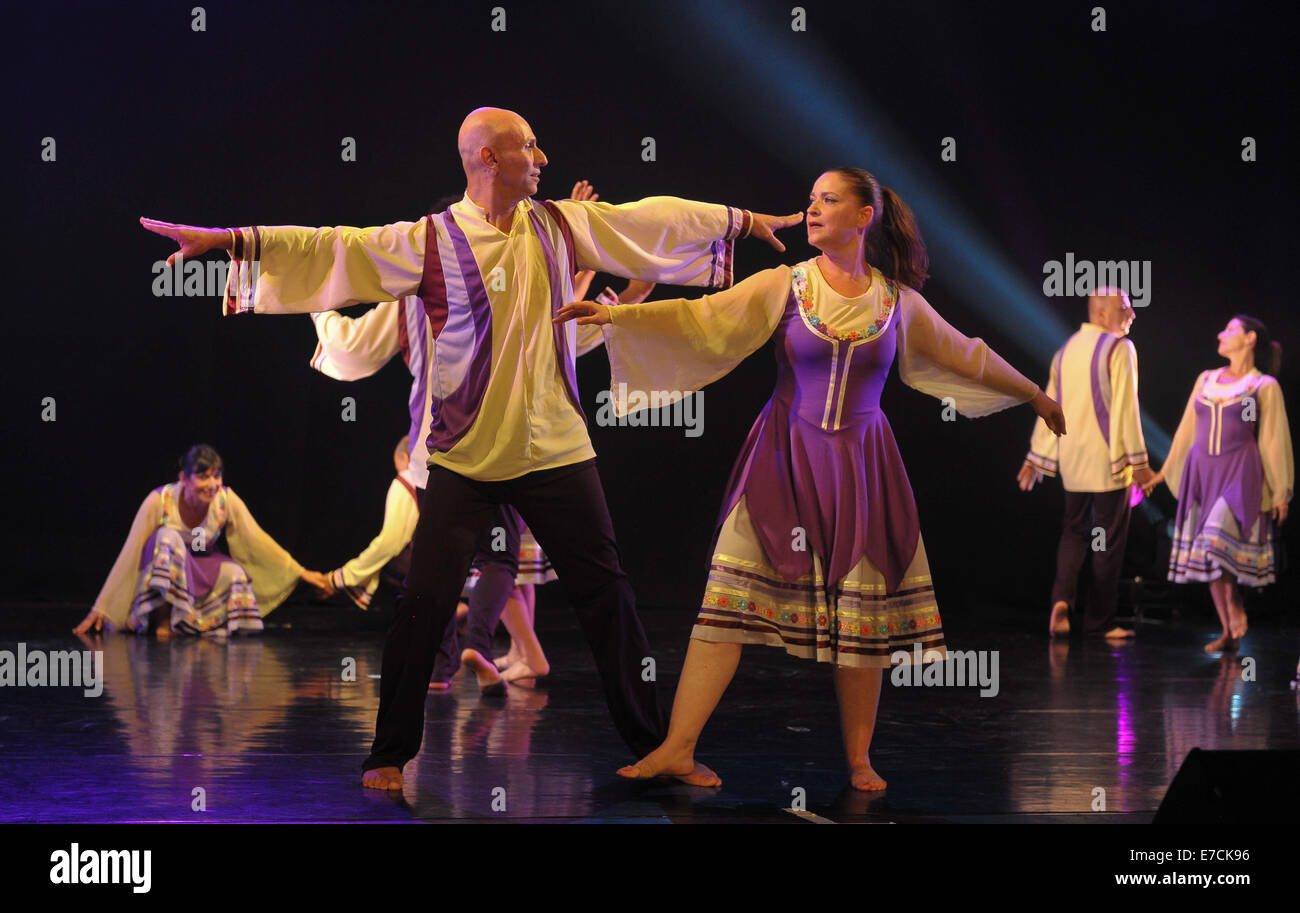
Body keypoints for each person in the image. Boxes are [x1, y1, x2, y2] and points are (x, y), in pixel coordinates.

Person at [141, 106, 802, 791]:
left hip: (554, 449)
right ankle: (390, 752)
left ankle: (656, 745)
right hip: (464, 457)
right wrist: (230, 241)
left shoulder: (560, 224)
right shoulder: (428, 241)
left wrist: (742, 220)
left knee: (608, 594)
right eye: (528, 147)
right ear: (488, 158)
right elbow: (333, 246)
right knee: (423, 603)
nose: (542, 157)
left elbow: (647, 219)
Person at [556, 167, 1065, 790]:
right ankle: (678, 746)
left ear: (863, 216)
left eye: (829, 200)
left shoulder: (896, 301)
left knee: (861, 623)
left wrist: (1035, 394)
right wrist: (616, 320)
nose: (813, 209)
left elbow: (966, 352)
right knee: (724, 607)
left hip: (863, 468)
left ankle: (858, 760)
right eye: (811, 199)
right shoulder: (786, 285)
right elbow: (703, 317)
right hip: (782, 457)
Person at [1142, 316, 1292, 652]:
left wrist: (1281, 490)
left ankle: (1235, 603)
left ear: (1250, 338)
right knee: (1208, 554)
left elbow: (1273, 440)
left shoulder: (1262, 385)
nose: (1221, 334)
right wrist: (1163, 473)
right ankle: (1227, 632)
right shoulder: (1206, 379)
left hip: (1240, 471)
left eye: (1230, 330)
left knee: (1213, 540)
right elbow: (1185, 431)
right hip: (1202, 471)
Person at [73, 444, 329, 637]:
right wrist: (103, 606)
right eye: (204, 476)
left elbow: (257, 540)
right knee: (167, 537)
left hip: (202, 567)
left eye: (217, 476)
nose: (213, 484)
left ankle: (196, 626)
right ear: (184, 478)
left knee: (236, 574)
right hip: (166, 567)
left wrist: (301, 573)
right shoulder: (160, 500)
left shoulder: (225, 500)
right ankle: (163, 621)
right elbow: (130, 551)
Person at [1018, 289, 1153, 639]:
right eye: (1126, 308)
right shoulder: (1120, 348)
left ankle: (1061, 602)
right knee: (1108, 539)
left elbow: (1049, 406)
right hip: (1109, 461)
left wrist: (1035, 458)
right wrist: (1138, 462)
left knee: (1074, 531)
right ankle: (1100, 622)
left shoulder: (1065, 351)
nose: (1133, 315)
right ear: (1103, 315)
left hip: (1073, 460)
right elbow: (1125, 408)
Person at [319, 436, 420, 616]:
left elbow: (389, 543)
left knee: (389, 560)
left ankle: (432, 613)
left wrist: (339, 578)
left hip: (427, 565)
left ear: (404, 458)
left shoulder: (405, 480)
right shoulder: (432, 480)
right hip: (457, 561)